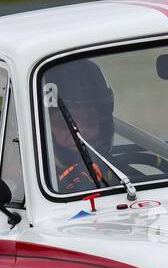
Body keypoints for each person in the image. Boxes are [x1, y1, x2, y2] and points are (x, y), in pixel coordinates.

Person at [45, 58, 115, 194]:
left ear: (103, 123)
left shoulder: (123, 175)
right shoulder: (24, 183)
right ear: (45, 127)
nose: (81, 130)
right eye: (64, 123)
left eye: (89, 119)